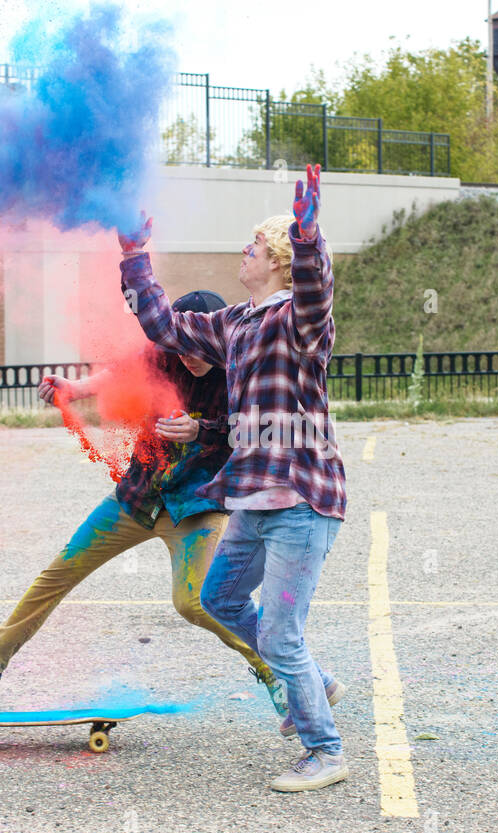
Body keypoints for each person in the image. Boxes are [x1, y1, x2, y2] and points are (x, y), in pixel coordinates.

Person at [0, 291, 289, 718]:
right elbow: (122, 373)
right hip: (137, 497)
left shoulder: (242, 369)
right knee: (58, 573)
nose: (187, 356)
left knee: (197, 602)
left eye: (197, 348)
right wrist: (76, 389)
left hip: (197, 507)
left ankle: (277, 670)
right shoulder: (164, 353)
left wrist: (201, 430)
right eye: (180, 345)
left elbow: (255, 429)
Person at [117, 164, 350, 792]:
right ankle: (318, 684)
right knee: (217, 600)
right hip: (251, 499)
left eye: (250, 248)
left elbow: (316, 293)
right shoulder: (236, 323)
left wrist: (307, 237)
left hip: (301, 498)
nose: (240, 256)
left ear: (274, 260)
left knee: (278, 633)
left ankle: (325, 750)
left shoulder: (299, 322)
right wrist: (134, 253)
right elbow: (163, 325)